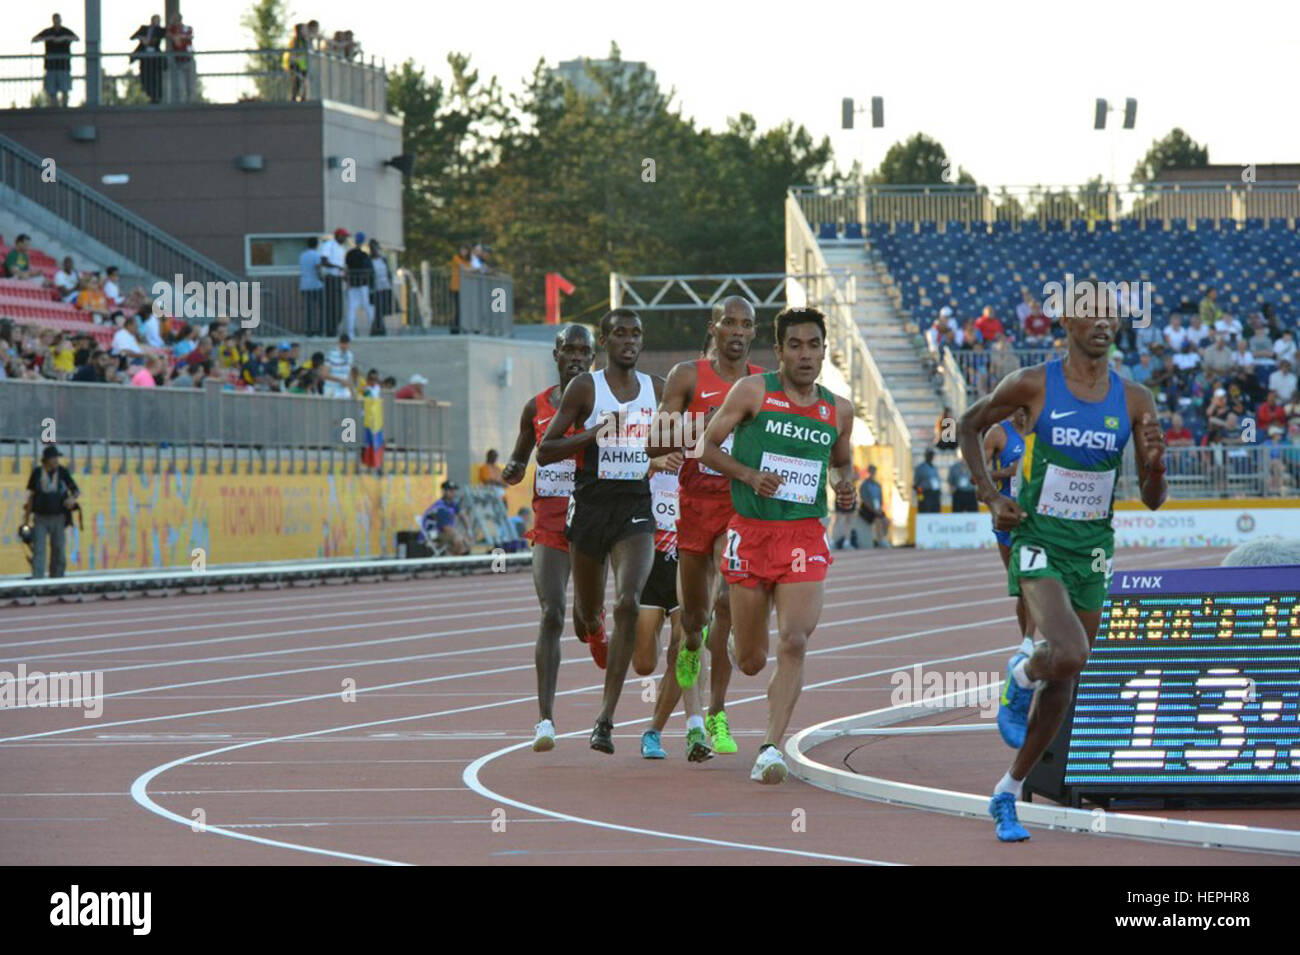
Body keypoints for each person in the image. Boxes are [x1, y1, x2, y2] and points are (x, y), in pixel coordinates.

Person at [957, 298, 1167, 842]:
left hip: (1093, 546)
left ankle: (1006, 791)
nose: (1103, 322)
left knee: (1066, 678)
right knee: (1070, 651)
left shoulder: (1136, 398)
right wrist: (988, 494)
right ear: (1067, 323)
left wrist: (1156, 462)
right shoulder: (1032, 383)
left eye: (1111, 315)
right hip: (1038, 537)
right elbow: (968, 425)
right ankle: (1020, 674)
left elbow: (1153, 499)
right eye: (1091, 313)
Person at [696, 306, 856, 784]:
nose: (805, 354)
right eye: (795, 345)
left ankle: (770, 746)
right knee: (749, 660)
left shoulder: (837, 409)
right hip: (750, 531)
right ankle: (732, 635)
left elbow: (842, 465)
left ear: (825, 351)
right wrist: (748, 475)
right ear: (779, 351)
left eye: (813, 345)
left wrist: (846, 487)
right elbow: (704, 445)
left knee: (794, 640)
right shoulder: (753, 392)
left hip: (803, 535)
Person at [537, 309, 663, 754]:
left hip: (635, 510)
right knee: (588, 616)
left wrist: (674, 449)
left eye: (636, 334)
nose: (629, 341)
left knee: (628, 601)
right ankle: (592, 628)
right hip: (589, 510)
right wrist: (592, 435)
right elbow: (545, 451)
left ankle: (605, 718)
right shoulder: (585, 388)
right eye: (620, 334)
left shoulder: (657, 390)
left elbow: (679, 443)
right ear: (605, 343)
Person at [647, 296, 763, 756]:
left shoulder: (761, 384)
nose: (737, 330)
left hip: (737, 504)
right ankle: (693, 645)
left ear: (754, 333)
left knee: (727, 595)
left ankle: (716, 713)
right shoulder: (686, 377)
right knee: (694, 620)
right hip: (693, 506)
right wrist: (663, 453)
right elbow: (659, 438)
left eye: (746, 325)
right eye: (729, 322)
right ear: (713, 327)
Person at [501, 324, 605, 751]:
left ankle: (596, 628)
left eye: (585, 351)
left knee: (583, 619)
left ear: (594, 358)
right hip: (550, 523)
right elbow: (520, 457)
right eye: (570, 350)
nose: (577, 357)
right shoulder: (536, 407)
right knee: (551, 614)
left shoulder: (602, 403)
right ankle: (545, 720)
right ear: (556, 354)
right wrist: (513, 470)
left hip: (593, 521)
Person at [633, 453, 712, 761]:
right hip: (649, 569)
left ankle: (675, 729)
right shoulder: (652, 455)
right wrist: (651, 465)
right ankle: (661, 728)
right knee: (644, 664)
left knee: (684, 645)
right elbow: (619, 479)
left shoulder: (701, 466)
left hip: (686, 564)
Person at [981, 407, 1038, 666]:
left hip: (1036, 518)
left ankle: (1029, 640)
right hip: (1006, 516)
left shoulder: (1044, 429)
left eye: (1027, 408)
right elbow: (977, 476)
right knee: (1020, 587)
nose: (1022, 414)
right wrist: (1006, 473)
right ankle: (1027, 641)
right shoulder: (997, 434)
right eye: (1018, 408)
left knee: (1032, 582)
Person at [24, 446, 80, 578]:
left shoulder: (62, 472)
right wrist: (25, 521)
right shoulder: (37, 473)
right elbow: (31, 497)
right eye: (53, 458)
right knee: (39, 550)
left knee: (59, 550)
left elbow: (76, 490)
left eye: (57, 458)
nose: (56, 461)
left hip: (58, 517)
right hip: (40, 518)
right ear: (46, 459)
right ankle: (37, 579)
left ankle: (57, 578)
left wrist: (71, 499)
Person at [32, 15, 79, 109]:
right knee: (51, 90)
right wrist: (48, 38)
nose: (56, 22)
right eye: (55, 20)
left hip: (64, 66)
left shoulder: (65, 31)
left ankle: (65, 106)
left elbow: (76, 38)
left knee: (65, 88)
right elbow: (34, 39)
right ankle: (55, 107)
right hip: (50, 66)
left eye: (58, 20)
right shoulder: (48, 32)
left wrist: (64, 38)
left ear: (60, 20)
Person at [421, 482, 471, 555]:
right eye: (450, 491)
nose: (453, 493)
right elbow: (445, 528)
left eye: (453, 491)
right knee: (457, 538)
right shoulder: (440, 507)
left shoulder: (451, 504)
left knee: (461, 537)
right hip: (432, 535)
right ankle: (458, 558)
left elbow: (462, 516)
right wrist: (462, 537)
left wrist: (469, 530)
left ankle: (458, 557)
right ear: (444, 491)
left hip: (443, 533)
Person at [344, 232, 374, 338]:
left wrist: (347, 281)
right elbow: (369, 270)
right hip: (363, 284)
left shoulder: (349, 254)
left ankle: (350, 333)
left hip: (352, 284)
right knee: (368, 307)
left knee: (352, 309)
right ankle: (373, 330)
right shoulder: (364, 255)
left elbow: (347, 268)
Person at [129, 16, 165, 103]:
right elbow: (132, 37)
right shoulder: (144, 28)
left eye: (158, 21)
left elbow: (157, 39)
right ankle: (148, 95)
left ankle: (156, 98)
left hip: (155, 59)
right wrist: (142, 38)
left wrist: (148, 41)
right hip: (145, 57)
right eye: (155, 20)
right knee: (145, 77)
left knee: (156, 78)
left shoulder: (161, 30)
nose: (156, 22)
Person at [319, 229, 349, 334]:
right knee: (331, 306)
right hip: (330, 278)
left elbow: (342, 265)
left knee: (338, 308)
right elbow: (324, 261)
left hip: (339, 279)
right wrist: (337, 267)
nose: (345, 238)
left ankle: (334, 328)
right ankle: (330, 330)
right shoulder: (329, 245)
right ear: (337, 236)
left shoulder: (343, 248)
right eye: (343, 236)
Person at [165, 13, 196, 104]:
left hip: (188, 58)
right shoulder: (171, 29)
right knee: (179, 85)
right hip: (177, 60)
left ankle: (191, 103)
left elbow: (190, 36)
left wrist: (180, 37)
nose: (176, 21)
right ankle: (181, 104)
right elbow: (169, 35)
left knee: (190, 83)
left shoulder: (187, 28)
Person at [857, 464, 891, 547]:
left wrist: (879, 509)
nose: (873, 474)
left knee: (887, 521)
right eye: (871, 472)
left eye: (874, 472)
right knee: (877, 519)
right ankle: (881, 540)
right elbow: (864, 500)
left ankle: (882, 537)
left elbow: (881, 498)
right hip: (866, 509)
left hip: (877, 508)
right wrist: (874, 510)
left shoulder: (877, 485)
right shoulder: (864, 485)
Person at [299, 238, 325, 336]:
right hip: (316, 285)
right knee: (322, 308)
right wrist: (322, 279)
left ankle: (309, 330)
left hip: (304, 285)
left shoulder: (302, 255)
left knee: (309, 309)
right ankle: (320, 330)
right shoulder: (316, 255)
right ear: (316, 245)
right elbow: (318, 268)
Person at [368, 239, 391, 336]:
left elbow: (388, 272)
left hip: (385, 286)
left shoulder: (383, 259)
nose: (374, 250)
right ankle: (378, 330)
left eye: (375, 248)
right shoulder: (369, 260)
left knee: (382, 309)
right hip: (375, 288)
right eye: (372, 248)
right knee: (378, 309)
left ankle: (377, 329)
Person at [448, 245, 471, 334]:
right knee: (456, 309)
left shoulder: (468, 260)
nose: (464, 252)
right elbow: (464, 268)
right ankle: (454, 329)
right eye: (462, 250)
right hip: (456, 287)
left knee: (464, 309)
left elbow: (470, 268)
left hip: (465, 288)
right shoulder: (456, 258)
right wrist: (473, 269)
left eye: (465, 250)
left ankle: (463, 327)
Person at [914, 448, 942, 513]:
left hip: (934, 493)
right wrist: (920, 497)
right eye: (929, 455)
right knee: (925, 510)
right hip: (925, 492)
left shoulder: (934, 467)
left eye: (932, 455)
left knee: (935, 510)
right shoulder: (921, 468)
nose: (931, 457)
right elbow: (917, 483)